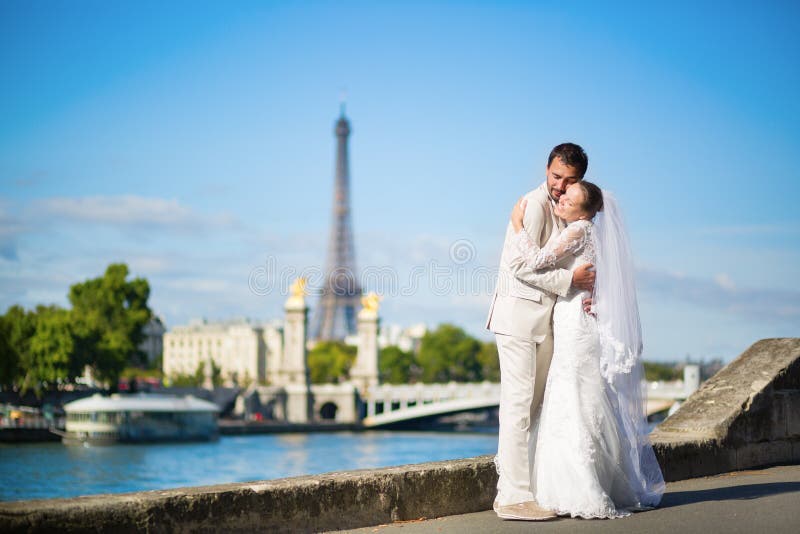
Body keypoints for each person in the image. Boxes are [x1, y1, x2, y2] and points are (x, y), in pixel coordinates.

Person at [509, 181, 665, 518]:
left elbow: (535, 260)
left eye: (570, 199)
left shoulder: (577, 230)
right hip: (579, 320)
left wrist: (518, 224)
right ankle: (593, 481)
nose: (561, 199)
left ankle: (577, 486)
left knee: (571, 398)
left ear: (585, 212)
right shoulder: (591, 232)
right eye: (564, 195)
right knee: (583, 398)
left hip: (574, 323)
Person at [485, 143, 595, 520]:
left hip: (543, 320)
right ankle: (511, 497)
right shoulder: (532, 205)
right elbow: (518, 265)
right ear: (545, 169)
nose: (561, 187)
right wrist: (570, 280)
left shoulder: (568, 209)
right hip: (518, 319)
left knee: (532, 409)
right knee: (517, 408)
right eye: (556, 177)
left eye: (570, 181)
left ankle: (527, 489)